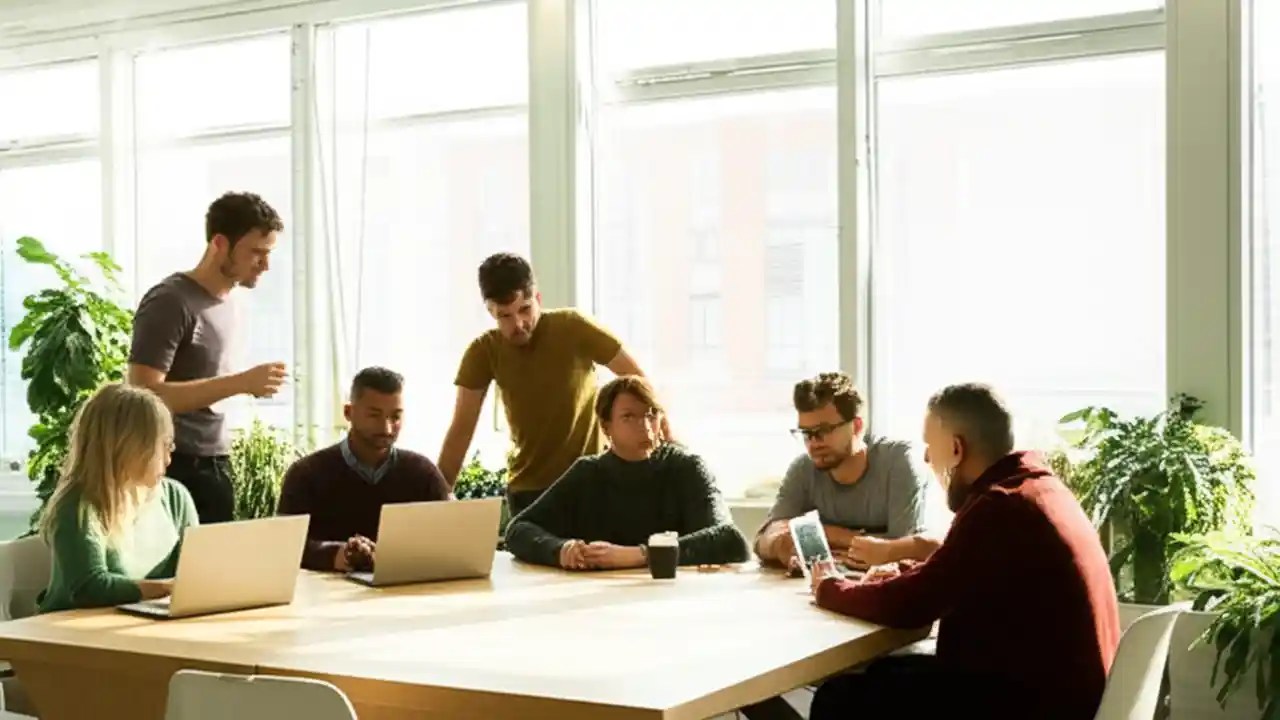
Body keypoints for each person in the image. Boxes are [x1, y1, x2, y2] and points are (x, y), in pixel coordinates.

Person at [807, 383, 1120, 720]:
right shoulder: (1040, 489)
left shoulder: (1000, 507)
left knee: (840, 699)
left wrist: (829, 586)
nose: (927, 458)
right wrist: (907, 574)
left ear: (956, 449)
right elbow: (957, 578)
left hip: (1028, 705)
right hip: (1059, 695)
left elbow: (911, 606)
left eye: (930, 447)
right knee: (886, 675)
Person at [438, 253, 666, 516]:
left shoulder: (573, 326)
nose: (518, 324)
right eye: (505, 316)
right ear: (490, 311)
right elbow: (461, 428)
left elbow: (639, 384)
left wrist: (666, 445)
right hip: (530, 492)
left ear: (537, 298)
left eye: (525, 309)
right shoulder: (483, 351)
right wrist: (437, 497)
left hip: (593, 483)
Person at [128, 191, 288, 524]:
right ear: (219, 243)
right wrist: (241, 382)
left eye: (269, 253)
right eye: (256, 252)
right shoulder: (170, 301)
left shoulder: (235, 303)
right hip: (171, 466)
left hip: (217, 463)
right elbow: (143, 395)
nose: (265, 264)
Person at [505, 375, 747, 570]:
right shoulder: (588, 473)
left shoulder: (687, 468)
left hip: (671, 598)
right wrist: (561, 550)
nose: (645, 427)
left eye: (652, 414)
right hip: (596, 601)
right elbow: (518, 530)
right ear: (606, 426)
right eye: (629, 417)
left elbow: (729, 539)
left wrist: (639, 555)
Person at [754, 372, 939, 572]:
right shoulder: (803, 469)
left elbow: (898, 550)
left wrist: (827, 535)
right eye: (806, 434)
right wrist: (782, 546)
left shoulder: (899, 462)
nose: (813, 443)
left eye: (823, 431)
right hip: (827, 585)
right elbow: (765, 538)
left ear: (857, 426)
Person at [37, 384, 198, 613]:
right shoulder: (78, 506)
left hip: (142, 629)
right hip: (69, 637)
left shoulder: (175, 498)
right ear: (129, 446)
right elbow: (89, 587)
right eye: (162, 445)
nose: (169, 458)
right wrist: (166, 588)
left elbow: (197, 572)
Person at [277, 367, 450, 572]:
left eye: (395, 417)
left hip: (406, 594)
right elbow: (284, 546)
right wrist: (337, 555)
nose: (386, 428)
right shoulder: (306, 475)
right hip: (325, 597)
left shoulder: (423, 474)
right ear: (348, 413)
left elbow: (448, 537)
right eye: (374, 415)